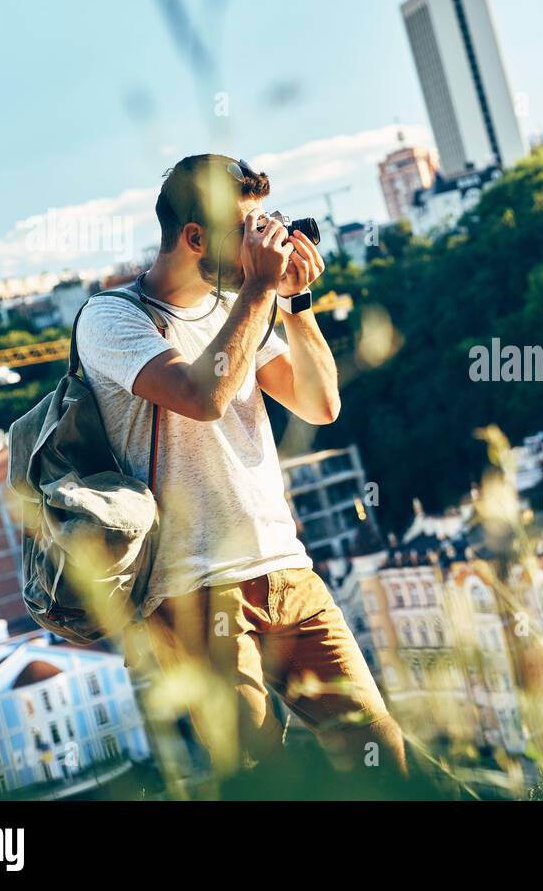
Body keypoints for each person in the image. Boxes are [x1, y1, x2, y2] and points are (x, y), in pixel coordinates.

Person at [76, 154, 406, 777]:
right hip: (192, 590)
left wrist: (297, 299)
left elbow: (322, 402)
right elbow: (203, 396)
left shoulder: (237, 310)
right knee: (265, 774)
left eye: (265, 225)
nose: (262, 242)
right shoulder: (112, 318)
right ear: (194, 237)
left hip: (287, 571)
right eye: (246, 229)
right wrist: (258, 290)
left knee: (378, 753)